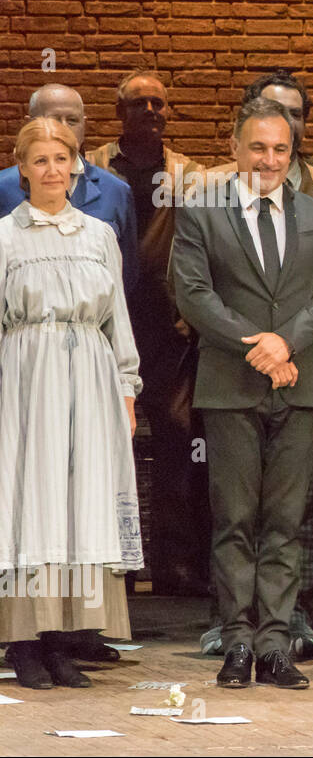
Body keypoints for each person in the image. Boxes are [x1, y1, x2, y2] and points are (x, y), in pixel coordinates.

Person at [171, 97, 313, 691]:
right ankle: (237, 643)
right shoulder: (202, 212)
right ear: (235, 149)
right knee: (234, 519)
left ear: (292, 154)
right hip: (230, 384)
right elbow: (192, 293)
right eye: (258, 147)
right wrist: (260, 347)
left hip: (300, 384)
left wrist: (287, 345)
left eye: (280, 149)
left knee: (286, 521)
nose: (269, 159)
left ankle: (277, 644)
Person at [0, 118, 142, 689]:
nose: (53, 170)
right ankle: (21, 641)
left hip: (89, 375)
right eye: (40, 160)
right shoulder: (5, 237)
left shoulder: (98, 235)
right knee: (30, 500)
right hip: (26, 379)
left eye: (62, 158)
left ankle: (63, 641)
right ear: (22, 170)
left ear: (76, 165)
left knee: (77, 501)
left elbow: (118, 322)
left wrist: (127, 388)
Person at [87, 70, 207, 598]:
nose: (152, 111)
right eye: (140, 103)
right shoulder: (90, 167)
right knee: (105, 447)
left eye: (160, 103)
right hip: (105, 324)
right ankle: (114, 564)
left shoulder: (187, 174)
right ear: (120, 112)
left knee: (179, 443)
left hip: (168, 328)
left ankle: (172, 564)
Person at [0, 85, 136, 291]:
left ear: (84, 124)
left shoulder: (116, 192)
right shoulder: (3, 188)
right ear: (29, 124)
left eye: (72, 121)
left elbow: (126, 275)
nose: (64, 128)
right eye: (54, 120)